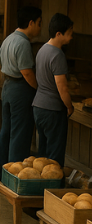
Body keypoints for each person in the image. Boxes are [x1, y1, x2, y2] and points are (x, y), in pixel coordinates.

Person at [0, 6, 42, 178]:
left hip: (8, 87)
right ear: (31, 23)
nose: (40, 27)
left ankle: (2, 173)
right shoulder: (23, 43)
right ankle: (14, 176)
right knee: (19, 135)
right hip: (20, 89)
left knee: (6, 132)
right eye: (39, 23)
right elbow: (27, 72)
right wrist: (39, 89)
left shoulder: (8, 38)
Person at [33, 13, 75, 167]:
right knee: (54, 158)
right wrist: (69, 106)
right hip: (53, 109)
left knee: (43, 155)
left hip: (39, 106)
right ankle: (52, 182)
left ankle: (41, 182)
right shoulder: (57, 55)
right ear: (59, 34)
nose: (71, 37)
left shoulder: (42, 50)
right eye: (69, 33)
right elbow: (62, 87)